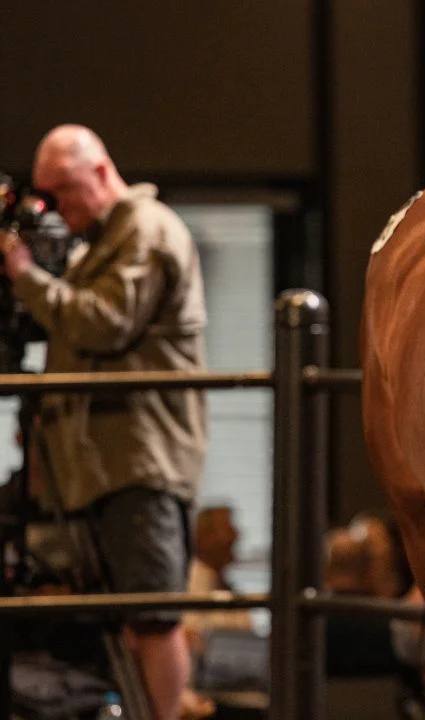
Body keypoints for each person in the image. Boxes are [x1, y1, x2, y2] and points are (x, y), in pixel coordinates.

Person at [0, 125, 208, 720]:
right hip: (107, 464)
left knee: (153, 614)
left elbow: (103, 322)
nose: (59, 211)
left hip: (140, 460)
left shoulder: (145, 230)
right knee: (132, 617)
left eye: (63, 193)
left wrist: (26, 276)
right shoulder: (100, 242)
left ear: (99, 171)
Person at [184, 506, 254, 652]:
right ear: (204, 538)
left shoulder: (227, 585)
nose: (236, 535)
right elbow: (191, 638)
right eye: (227, 528)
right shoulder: (185, 582)